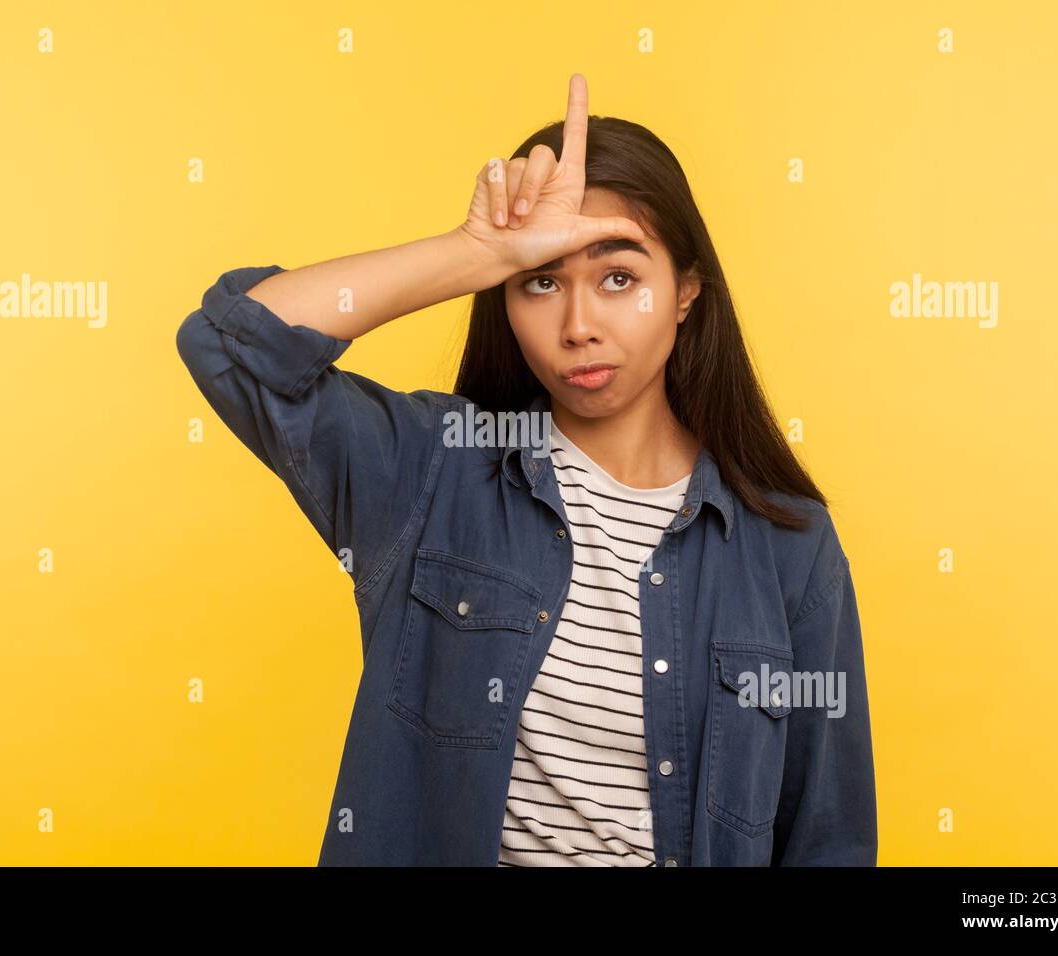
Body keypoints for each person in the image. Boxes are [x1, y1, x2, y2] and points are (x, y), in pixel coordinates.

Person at [175, 74, 877, 866]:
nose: (578, 327)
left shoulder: (788, 546)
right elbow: (228, 344)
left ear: (684, 291)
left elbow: (829, 840)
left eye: (620, 278)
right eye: (541, 283)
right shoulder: (435, 472)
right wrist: (475, 251)